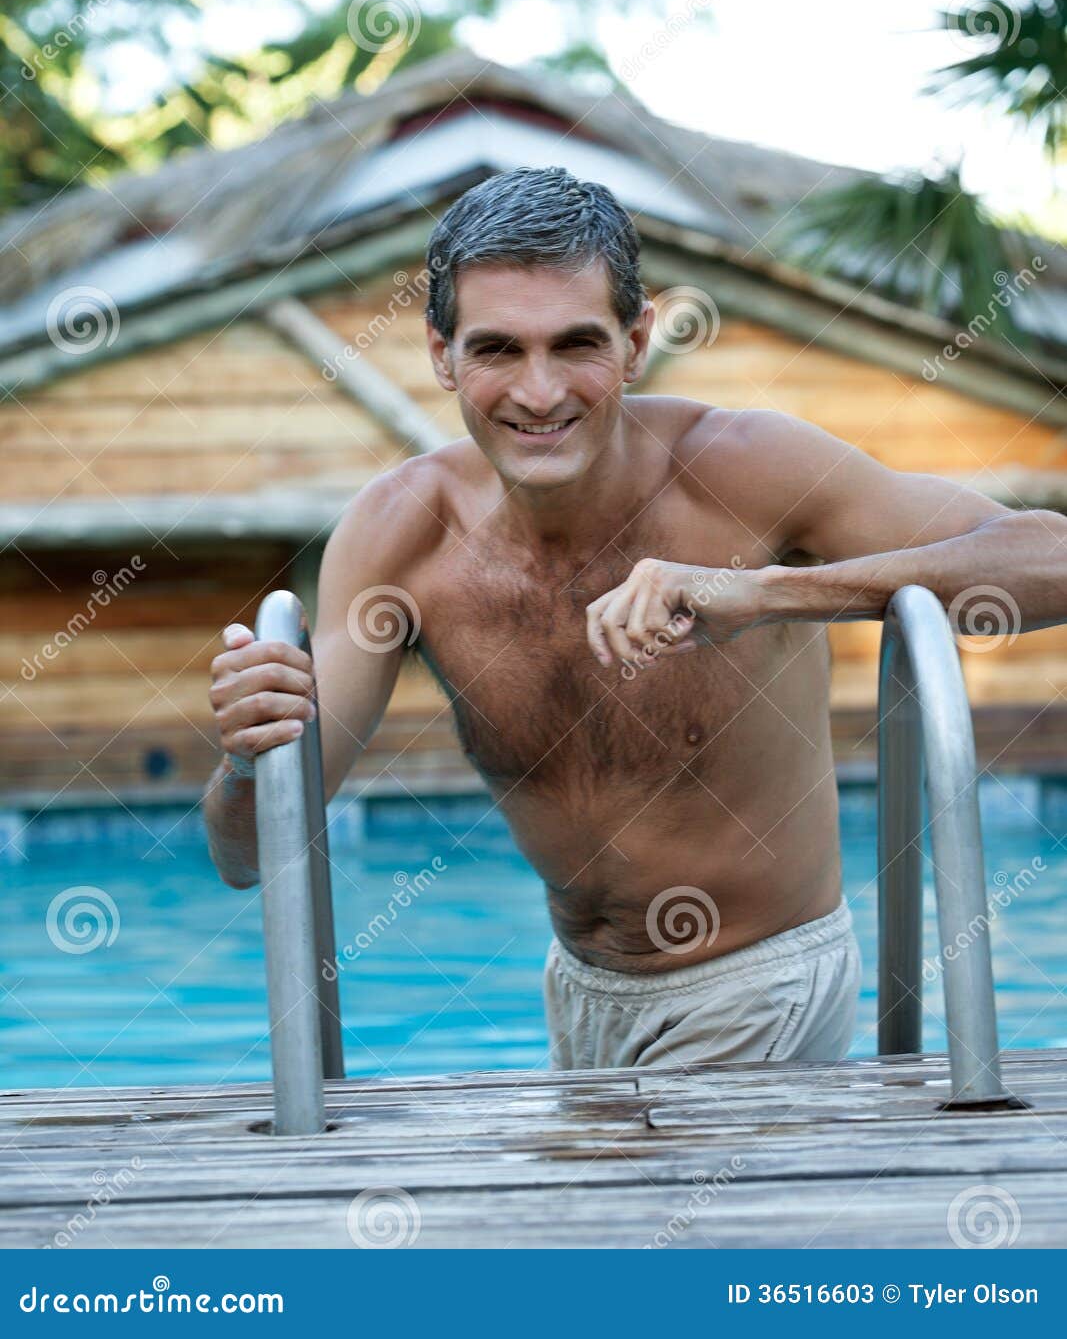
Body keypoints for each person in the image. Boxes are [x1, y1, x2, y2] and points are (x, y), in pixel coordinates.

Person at [203, 165, 1066, 1071]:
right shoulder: (398, 539)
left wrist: (765, 592)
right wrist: (243, 758)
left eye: (576, 344)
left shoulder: (742, 470)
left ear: (637, 338)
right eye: (498, 350)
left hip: (758, 983)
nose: (539, 394)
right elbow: (247, 857)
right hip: (578, 990)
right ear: (439, 352)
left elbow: (1048, 559)